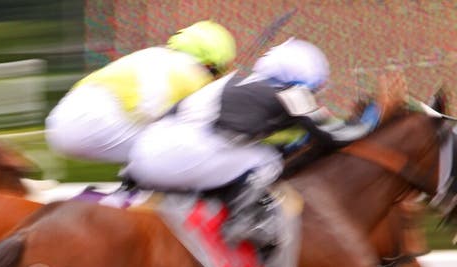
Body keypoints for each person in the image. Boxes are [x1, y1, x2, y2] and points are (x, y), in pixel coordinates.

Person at [124, 39, 379, 250]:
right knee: (266, 159)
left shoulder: (238, 84)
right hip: (181, 153)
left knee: (250, 154)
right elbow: (332, 135)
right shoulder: (290, 91)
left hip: (144, 153)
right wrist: (370, 121)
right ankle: (244, 220)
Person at [45, 20, 236, 165]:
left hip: (58, 122)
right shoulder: (194, 75)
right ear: (210, 64)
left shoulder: (149, 54)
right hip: (97, 130)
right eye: (217, 73)